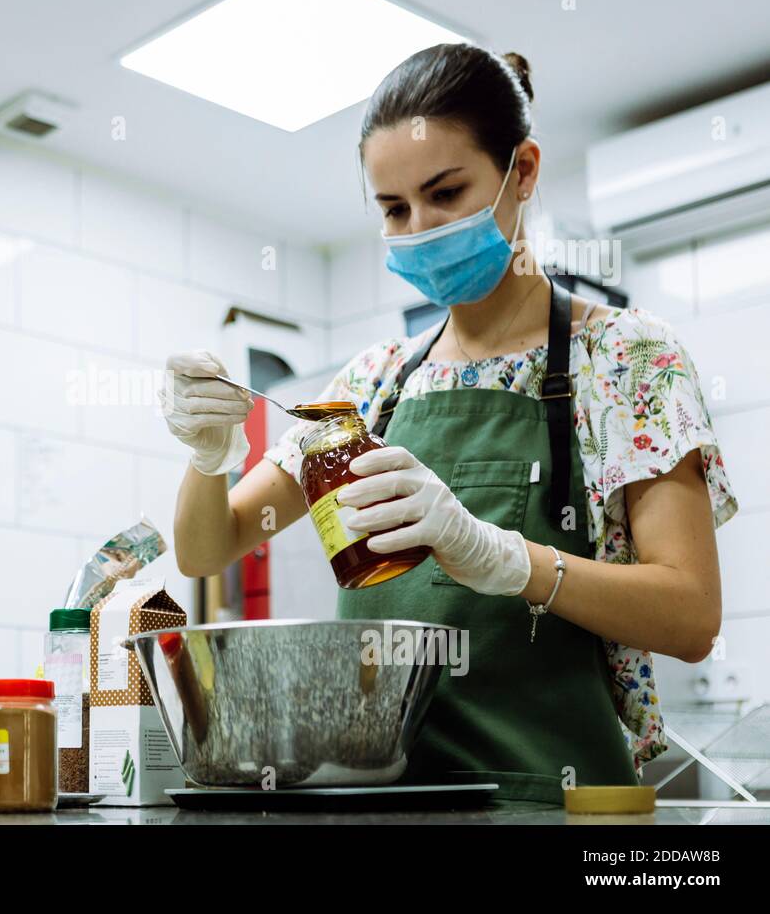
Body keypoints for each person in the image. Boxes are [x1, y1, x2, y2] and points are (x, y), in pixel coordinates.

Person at [159, 44, 737, 803]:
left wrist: (504, 558)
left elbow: (692, 616)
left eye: (446, 192)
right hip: (384, 803)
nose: (421, 226)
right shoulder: (371, 386)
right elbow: (208, 549)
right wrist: (209, 456)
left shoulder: (626, 360)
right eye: (395, 209)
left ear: (521, 171)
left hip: (553, 804)